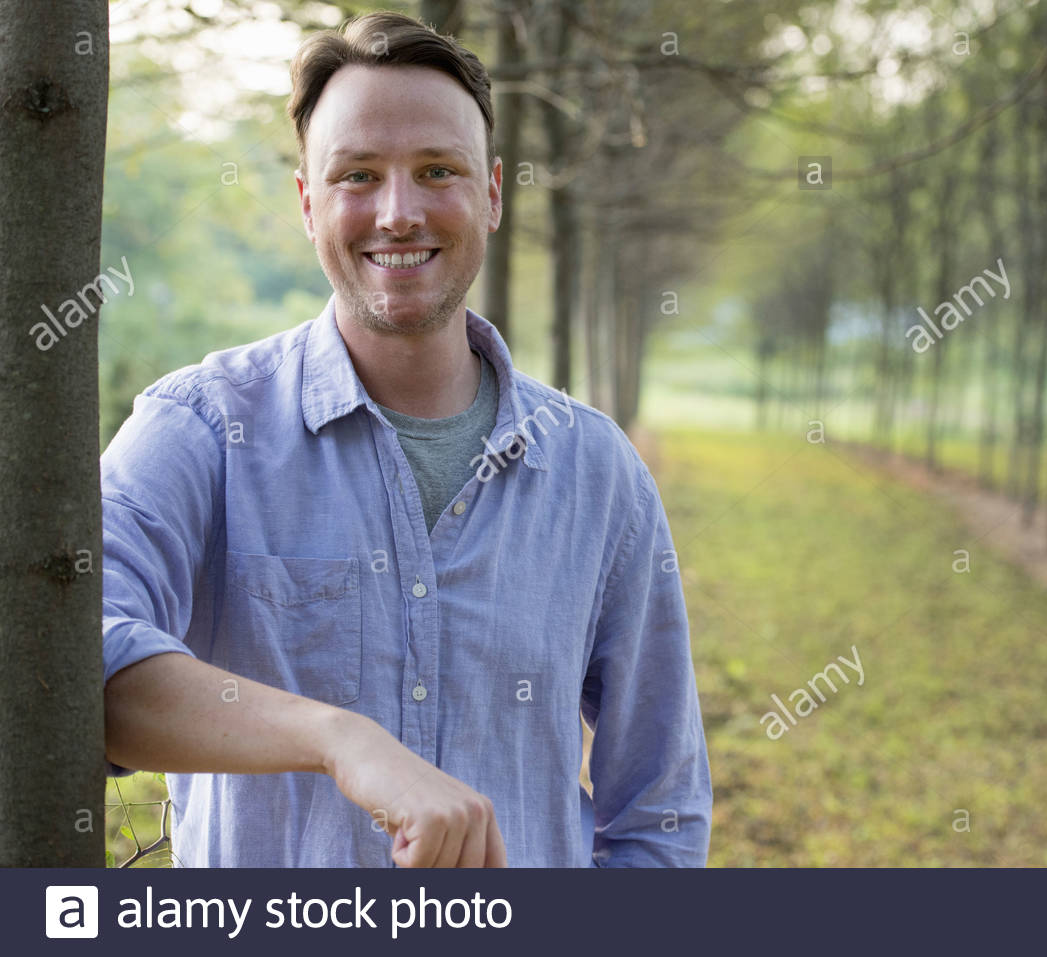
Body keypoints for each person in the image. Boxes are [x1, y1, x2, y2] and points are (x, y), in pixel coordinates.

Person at [101, 11, 711, 868]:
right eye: (357, 175)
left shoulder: (598, 472)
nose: (398, 212)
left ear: (492, 193)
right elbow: (63, 659)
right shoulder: (200, 431)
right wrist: (338, 739)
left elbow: (660, 814)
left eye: (437, 170)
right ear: (308, 202)